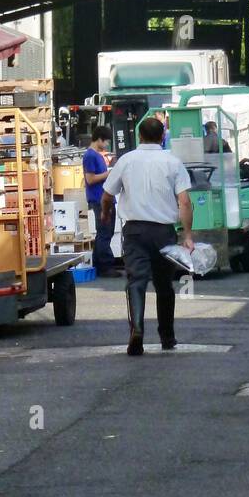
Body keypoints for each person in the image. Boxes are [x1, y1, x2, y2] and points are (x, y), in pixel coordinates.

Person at [100, 116, 194, 356]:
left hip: (134, 231)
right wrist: (187, 235)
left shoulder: (126, 160)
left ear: (139, 136)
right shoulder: (173, 162)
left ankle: (138, 329)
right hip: (163, 232)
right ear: (163, 136)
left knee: (136, 281)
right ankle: (167, 336)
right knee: (164, 285)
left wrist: (104, 213)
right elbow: (184, 202)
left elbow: (108, 195)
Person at [83, 126, 120, 276]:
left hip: (103, 197)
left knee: (105, 232)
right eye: (105, 142)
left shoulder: (96, 155)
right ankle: (105, 266)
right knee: (105, 231)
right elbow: (90, 179)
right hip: (99, 199)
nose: (106, 146)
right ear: (99, 139)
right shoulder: (90, 156)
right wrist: (109, 173)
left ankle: (99, 263)